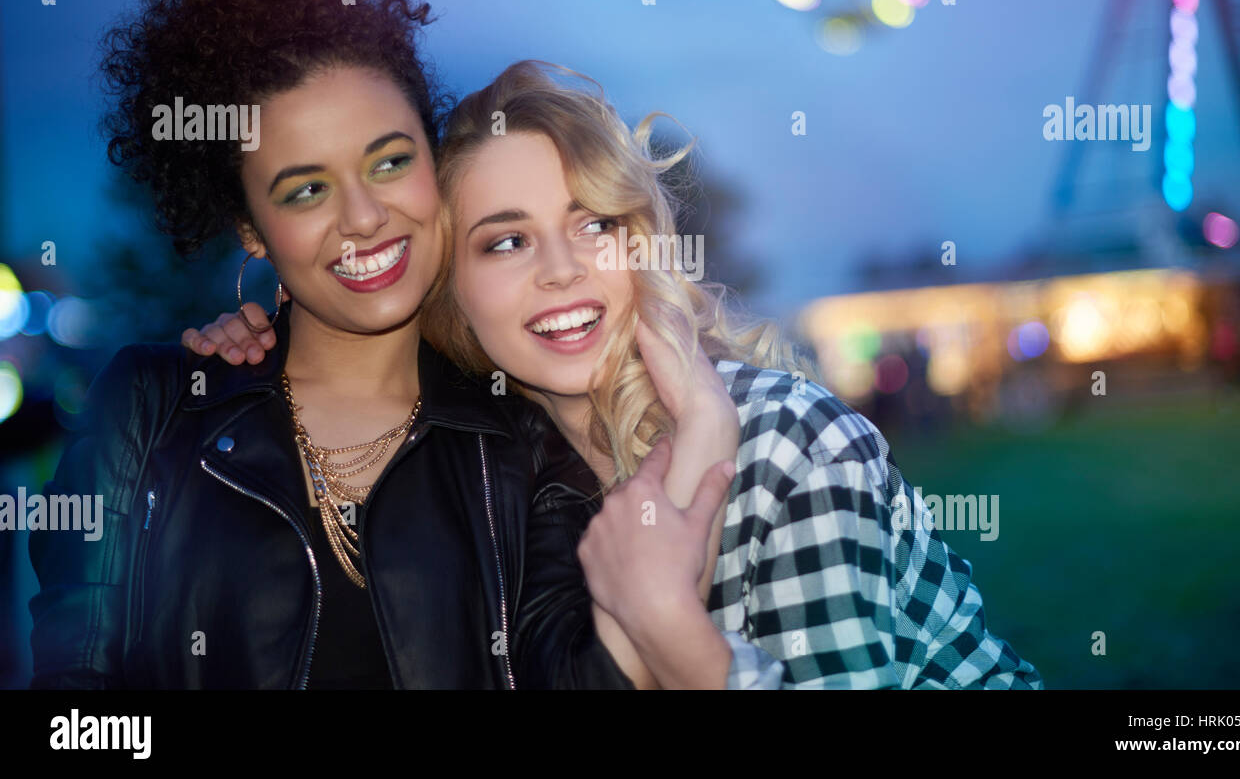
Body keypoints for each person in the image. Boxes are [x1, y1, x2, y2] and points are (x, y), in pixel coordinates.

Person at [29, 0, 738, 690]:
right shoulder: (150, 408)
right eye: (305, 189)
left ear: (433, 163)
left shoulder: (524, 437)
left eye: (390, 160)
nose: (364, 217)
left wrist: (705, 426)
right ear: (251, 229)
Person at [196, 60, 1044, 688]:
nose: (562, 269)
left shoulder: (787, 440)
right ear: (452, 286)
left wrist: (671, 619)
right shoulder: (504, 490)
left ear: (639, 241)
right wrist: (267, 338)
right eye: (506, 240)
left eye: (593, 222)